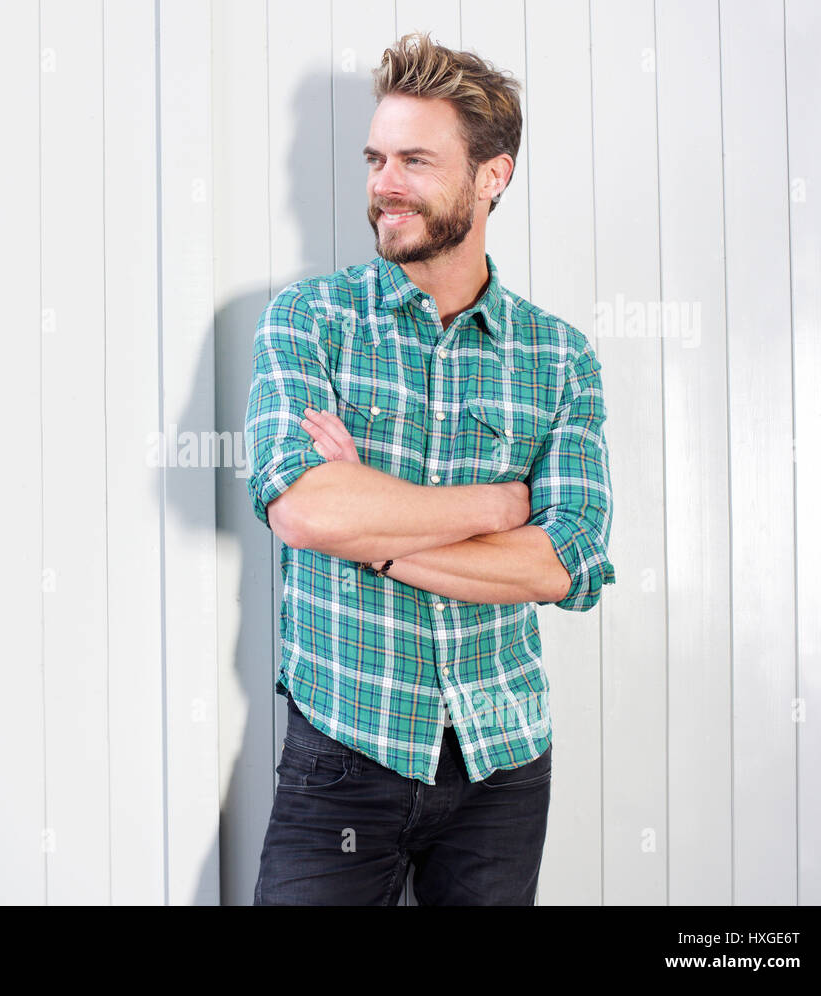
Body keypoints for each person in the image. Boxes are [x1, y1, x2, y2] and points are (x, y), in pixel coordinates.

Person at [243, 30, 616, 905]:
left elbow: (565, 562)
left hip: (503, 765)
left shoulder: (560, 357)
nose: (384, 184)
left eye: (415, 159)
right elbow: (301, 510)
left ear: (494, 175)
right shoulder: (309, 321)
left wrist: (374, 536)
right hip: (343, 747)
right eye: (376, 158)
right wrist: (494, 504)